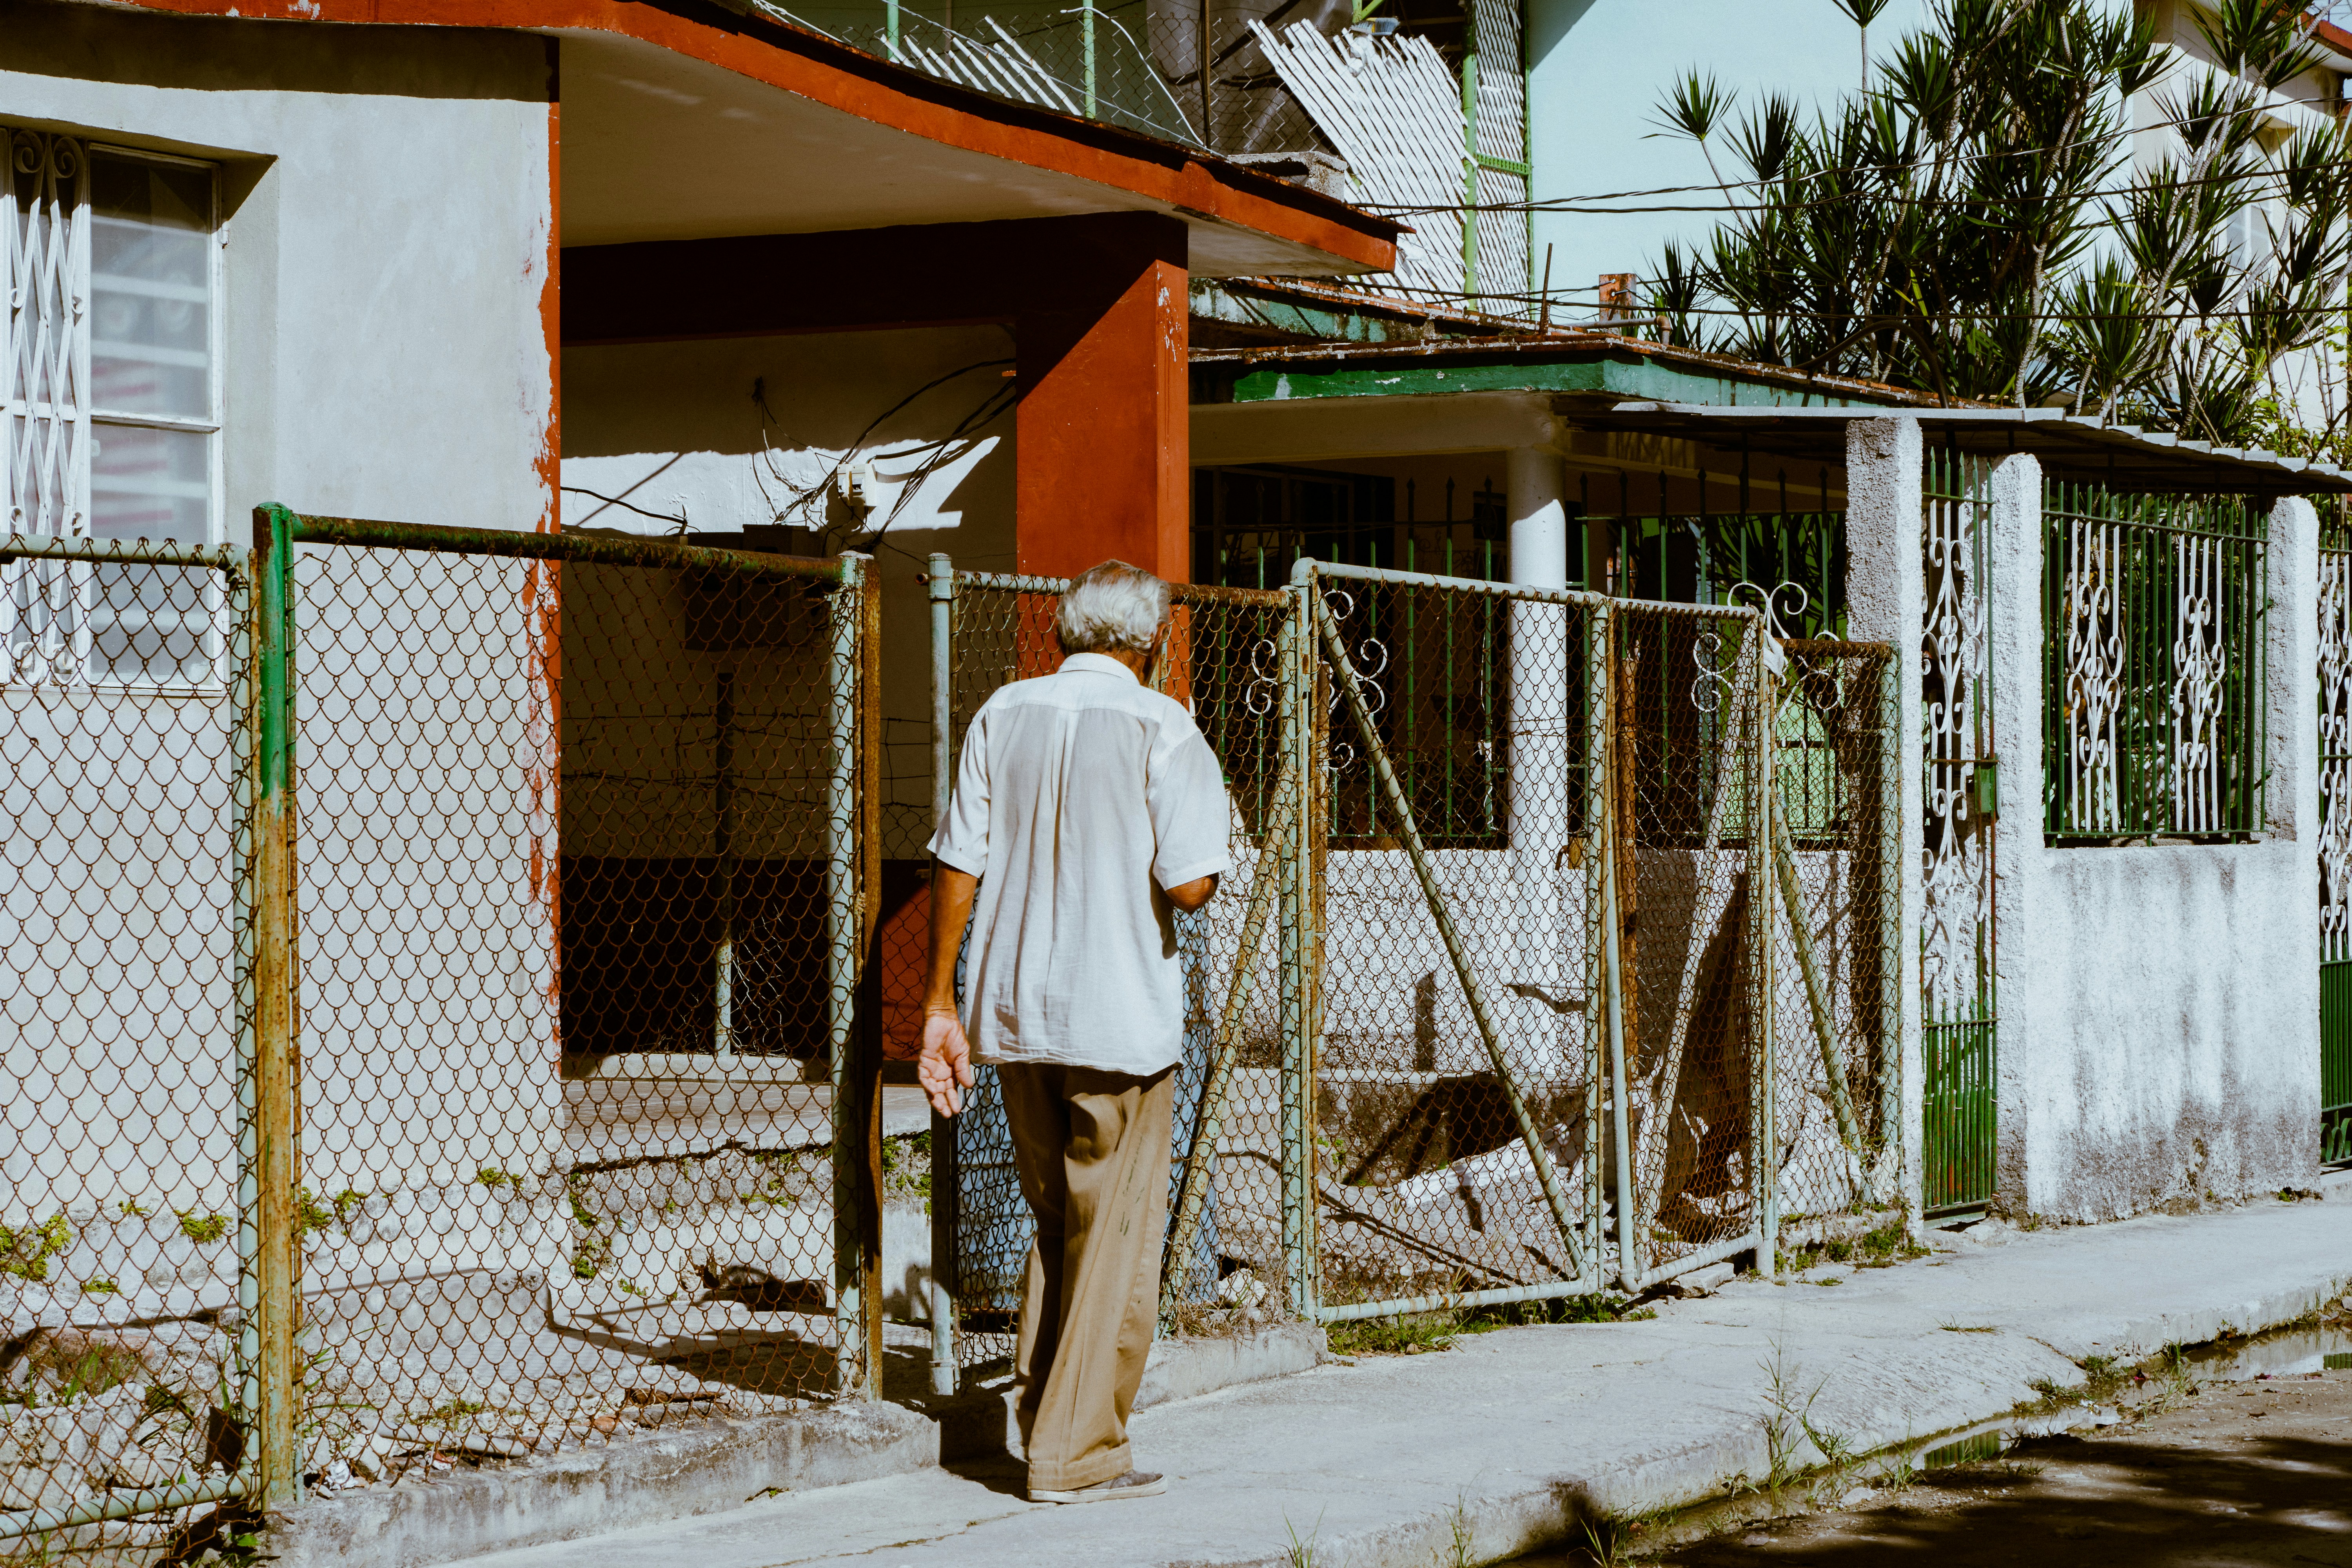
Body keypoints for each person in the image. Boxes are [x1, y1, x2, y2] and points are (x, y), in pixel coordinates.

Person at [919, 559, 1229, 1506]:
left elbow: (958, 860)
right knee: (1118, 1237)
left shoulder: (1001, 713)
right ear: (1151, 640)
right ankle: (1079, 1453)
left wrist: (941, 1003)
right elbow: (1189, 884)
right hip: (1119, 1015)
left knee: (1058, 1227)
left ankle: (1043, 1421)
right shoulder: (1163, 727)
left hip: (1013, 1012)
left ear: (1064, 632)